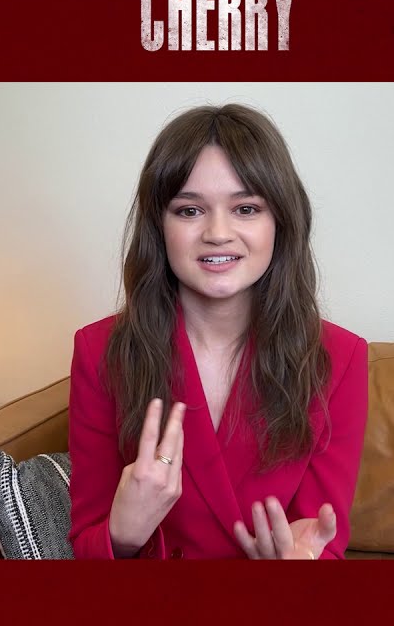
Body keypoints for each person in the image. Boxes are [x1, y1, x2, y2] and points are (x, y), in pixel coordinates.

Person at [67, 104, 369, 560]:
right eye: (190, 210)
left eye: (246, 208)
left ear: (280, 222)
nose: (218, 233)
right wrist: (122, 533)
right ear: (159, 226)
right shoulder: (98, 352)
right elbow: (85, 547)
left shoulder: (341, 358)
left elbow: (321, 541)